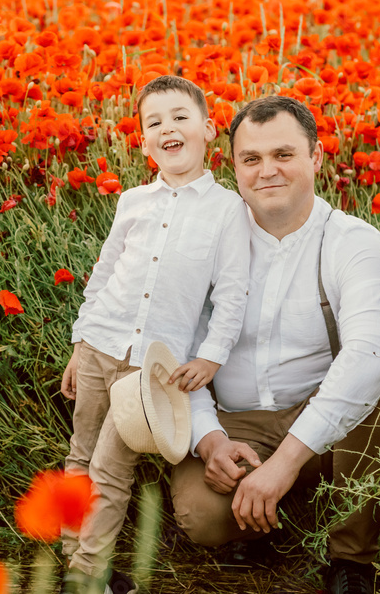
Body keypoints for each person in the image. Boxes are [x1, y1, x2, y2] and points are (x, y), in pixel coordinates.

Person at [170, 95, 380, 594]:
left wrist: (285, 462)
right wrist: (208, 439)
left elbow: (374, 350)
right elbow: (175, 348)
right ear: (232, 165)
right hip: (235, 421)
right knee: (200, 516)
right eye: (251, 159)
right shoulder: (205, 242)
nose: (267, 172)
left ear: (316, 157)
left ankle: (350, 558)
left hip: (321, 416)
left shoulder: (350, 239)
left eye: (284, 155)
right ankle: (257, 520)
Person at [61, 75, 250, 590]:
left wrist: (210, 357)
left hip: (149, 368)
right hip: (101, 344)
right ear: (143, 142)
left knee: (110, 470)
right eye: (154, 122)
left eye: (179, 117)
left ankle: (85, 577)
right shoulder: (132, 202)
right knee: (79, 458)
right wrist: (80, 343)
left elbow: (232, 296)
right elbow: (104, 274)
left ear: (210, 130)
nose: (167, 128)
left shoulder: (229, 211)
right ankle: (74, 558)